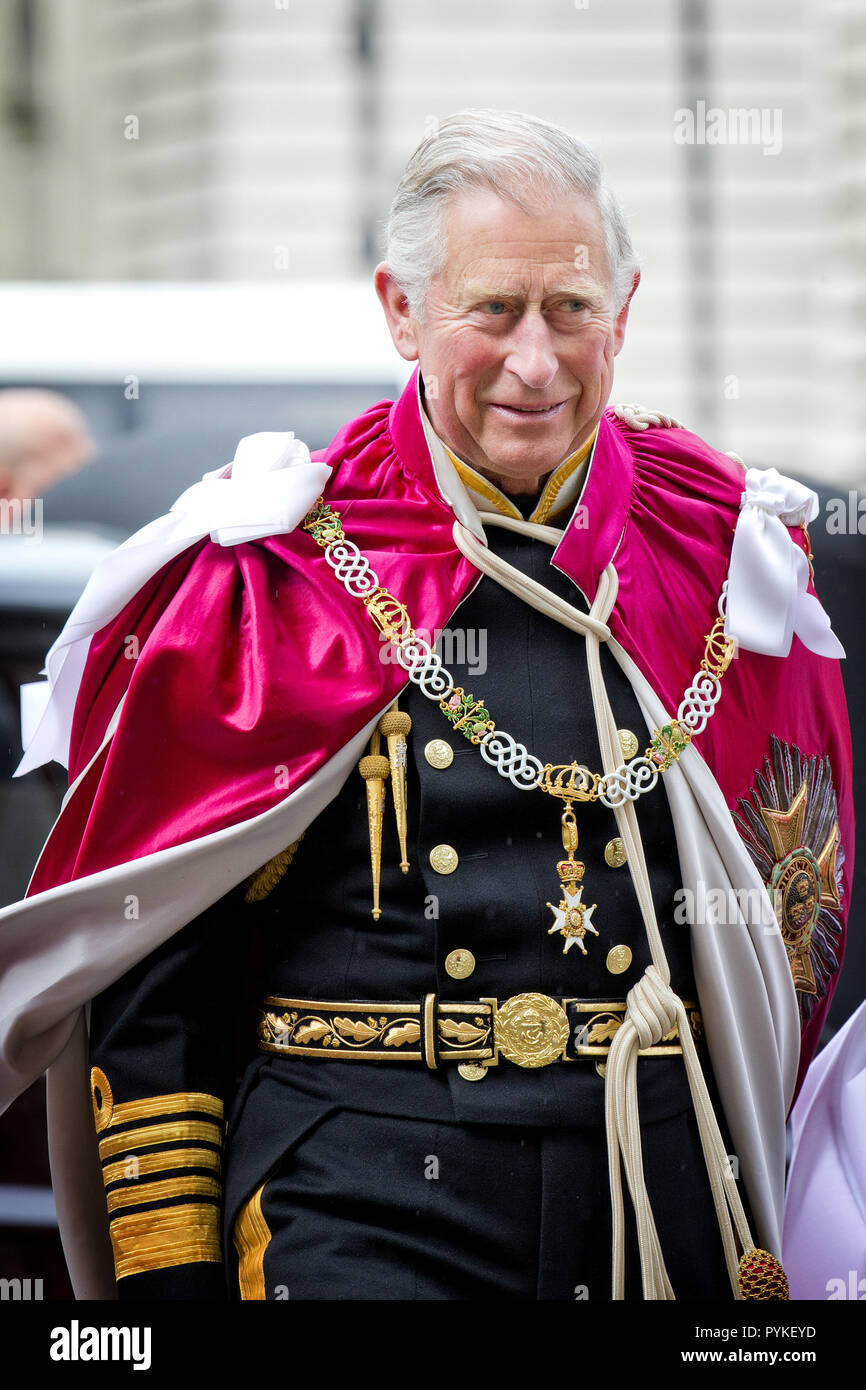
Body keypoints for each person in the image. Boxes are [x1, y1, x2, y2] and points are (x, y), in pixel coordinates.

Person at [0, 109, 852, 1302]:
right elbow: (157, 972)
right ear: (401, 311)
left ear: (625, 303)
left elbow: (796, 914)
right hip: (358, 1190)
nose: (536, 361)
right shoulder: (266, 570)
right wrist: (168, 1279)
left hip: (655, 1197)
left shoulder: (722, 554)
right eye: (490, 310)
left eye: (569, 308)